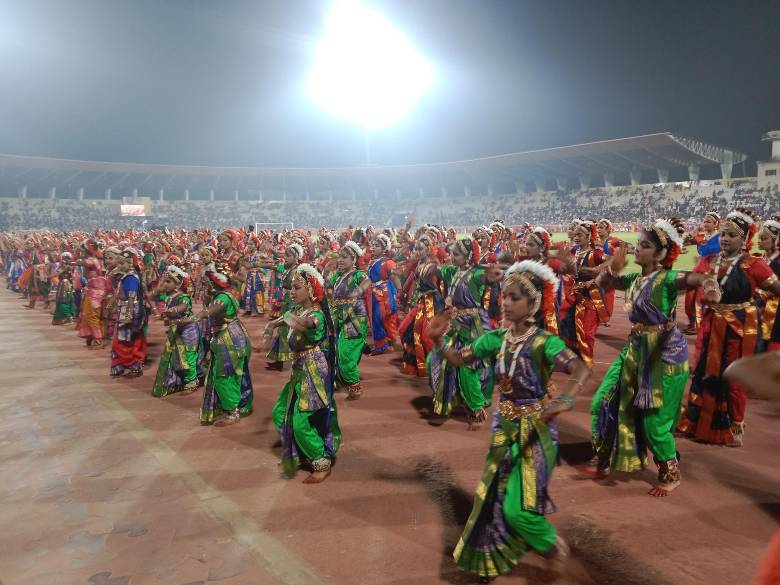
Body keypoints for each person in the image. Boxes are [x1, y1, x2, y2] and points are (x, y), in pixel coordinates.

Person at [428, 260, 590, 582]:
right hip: (505, 428)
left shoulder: (545, 342)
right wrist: (438, 341)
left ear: (533, 303)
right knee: (493, 494)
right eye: (504, 296)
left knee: (518, 508)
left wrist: (567, 397)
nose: (505, 302)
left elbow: (580, 369)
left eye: (515, 297)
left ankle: (553, 547)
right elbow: (460, 358)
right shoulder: (496, 339)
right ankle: (497, 555)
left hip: (537, 431)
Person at [589, 218, 708, 496]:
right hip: (635, 350)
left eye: (644, 246)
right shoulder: (633, 279)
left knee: (654, 422)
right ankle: (606, 453)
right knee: (603, 401)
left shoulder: (667, 280)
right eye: (637, 245)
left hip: (663, 356)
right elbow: (601, 283)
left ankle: (670, 469)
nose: (637, 250)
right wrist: (611, 268)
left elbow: (697, 279)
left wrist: (711, 287)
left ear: (660, 254)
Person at [677, 209, 780, 446]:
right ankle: (695, 422)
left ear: (744, 239)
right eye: (723, 234)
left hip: (738, 330)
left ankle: (734, 426)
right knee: (704, 373)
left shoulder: (753, 264)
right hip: (711, 327)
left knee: (733, 377)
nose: (725, 239)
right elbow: (687, 284)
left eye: (732, 235)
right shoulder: (708, 261)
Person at [269, 264, 341, 483]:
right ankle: (300, 452)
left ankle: (320, 459)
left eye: (297, 287)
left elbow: (307, 324)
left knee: (301, 422)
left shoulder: (315, 315)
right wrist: (275, 322)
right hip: (300, 369)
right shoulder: (300, 311)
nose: (292, 291)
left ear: (311, 290)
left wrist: (284, 318)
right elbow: (294, 319)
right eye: (292, 287)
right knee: (280, 412)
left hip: (313, 371)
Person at [427, 238, 498, 428]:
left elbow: (493, 275)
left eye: (457, 254)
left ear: (468, 257)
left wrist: (482, 264)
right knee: (436, 357)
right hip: (456, 322)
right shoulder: (452, 271)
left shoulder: (477, 275)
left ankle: (476, 408)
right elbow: (436, 269)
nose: (452, 256)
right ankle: (453, 398)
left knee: (469, 367)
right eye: (452, 253)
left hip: (474, 325)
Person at [198, 269, 254, 426]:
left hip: (228, 340)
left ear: (215, 282)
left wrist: (197, 316)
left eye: (207, 281)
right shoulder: (221, 294)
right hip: (230, 336)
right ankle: (239, 404)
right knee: (235, 374)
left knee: (223, 375)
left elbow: (215, 309)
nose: (203, 283)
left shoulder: (222, 297)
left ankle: (232, 411)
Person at [559, 219, 607, 368]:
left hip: (591, 296)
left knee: (587, 331)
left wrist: (595, 271)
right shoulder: (574, 251)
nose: (576, 237)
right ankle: (575, 358)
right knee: (569, 326)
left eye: (580, 234)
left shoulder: (595, 254)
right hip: (575, 295)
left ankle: (586, 362)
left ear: (588, 237)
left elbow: (610, 262)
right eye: (575, 234)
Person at [151, 265, 204, 397]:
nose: (165, 284)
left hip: (189, 330)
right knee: (177, 356)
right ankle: (191, 377)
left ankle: (192, 381)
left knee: (188, 355)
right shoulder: (166, 295)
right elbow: (152, 296)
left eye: (168, 282)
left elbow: (184, 306)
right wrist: (160, 285)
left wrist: (172, 310)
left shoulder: (183, 296)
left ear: (178, 284)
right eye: (165, 281)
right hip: (176, 330)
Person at [327, 241, 370, 399]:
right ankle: (342, 379)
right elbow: (327, 284)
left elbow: (367, 281)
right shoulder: (337, 276)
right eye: (340, 257)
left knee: (345, 354)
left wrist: (357, 291)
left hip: (355, 320)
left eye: (345, 257)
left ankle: (355, 387)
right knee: (339, 351)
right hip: (340, 318)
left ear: (354, 260)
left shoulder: (358, 274)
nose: (340, 260)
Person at [399, 234, 445, 377]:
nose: (418, 252)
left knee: (425, 336)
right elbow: (411, 280)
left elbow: (440, 286)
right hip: (418, 304)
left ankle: (439, 366)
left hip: (431, 305)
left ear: (428, 250)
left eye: (421, 249)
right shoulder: (418, 264)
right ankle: (418, 365)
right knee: (404, 330)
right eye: (416, 249)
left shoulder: (433, 265)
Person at [261, 243, 303, 370]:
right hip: (286, 304)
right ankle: (280, 360)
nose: (285, 257)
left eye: (288, 256)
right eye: (285, 255)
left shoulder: (297, 271)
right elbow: (273, 267)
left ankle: (285, 362)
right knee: (282, 331)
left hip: (292, 305)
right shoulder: (287, 268)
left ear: (296, 257)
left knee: (286, 332)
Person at [110, 249, 148, 378]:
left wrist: (128, 316)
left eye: (122, 263)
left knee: (124, 341)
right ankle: (127, 365)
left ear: (130, 264)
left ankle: (133, 365)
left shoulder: (131, 278)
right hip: (125, 309)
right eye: (119, 263)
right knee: (125, 340)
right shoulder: (126, 277)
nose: (119, 266)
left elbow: (131, 298)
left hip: (129, 310)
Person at [682, 211, 721, 335]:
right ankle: (692, 323)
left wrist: (699, 240)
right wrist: (691, 236)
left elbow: (708, 250)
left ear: (716, 224)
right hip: (698, 270)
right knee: (689, 300)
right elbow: (684, 242)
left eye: (709, 221)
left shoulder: (719, 237)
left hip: (709, 273)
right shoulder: (703, 236)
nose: (705, 223)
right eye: (704, 221)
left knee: (701, 301)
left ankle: (702, 328)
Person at [367, 234, 401, 355]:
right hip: (374, 294)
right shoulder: (372, 261)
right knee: (376, 319)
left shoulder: (388, 262)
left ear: (384, 249)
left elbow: (394, 277)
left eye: (377, 246)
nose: (373, 248)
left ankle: (394, 346)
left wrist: (399, 291)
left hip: (384, 294)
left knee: (383, 318)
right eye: (373, 245)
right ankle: (381, 344)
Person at [756, 215, 780, 352]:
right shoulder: (759, 258)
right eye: (760, 238)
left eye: (764, 238)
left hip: (775, 310)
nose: (760, 241)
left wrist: (759, 297)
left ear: (775, 240)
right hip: (760, 309)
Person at [51, 252, 75, 325]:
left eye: (66, 258)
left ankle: (69, 318)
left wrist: (48, 275)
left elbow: (56, 274)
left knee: (63, 301)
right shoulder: (70, 266)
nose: (64, 260)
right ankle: (60, 319)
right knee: (64, 301)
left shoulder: (64, 266)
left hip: (64, 284)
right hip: (66, 284)